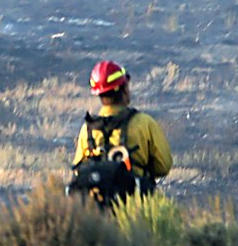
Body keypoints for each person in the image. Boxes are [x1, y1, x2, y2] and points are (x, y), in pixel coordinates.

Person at [68, 60, 173, 208]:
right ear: (124, 89)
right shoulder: (144, 123)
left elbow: (79, 170)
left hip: (99, 214)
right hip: (137, 208)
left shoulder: (88, 130)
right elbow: (164, 166)